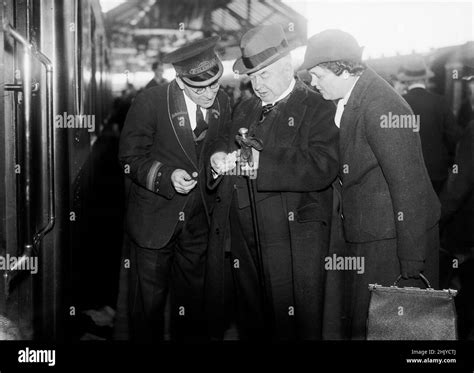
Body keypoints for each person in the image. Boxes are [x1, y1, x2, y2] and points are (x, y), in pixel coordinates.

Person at [300, 29, 440, 340]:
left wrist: (411, 269)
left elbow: (410, 187)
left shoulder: (381, 106)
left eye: (318, 74)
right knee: (369, 327)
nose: (313, 82)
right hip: (373, 236)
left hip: (391, 245)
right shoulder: (354, 97)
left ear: (343, 68)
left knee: (387, 329)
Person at [205, 24, 339, 340]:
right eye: (252, 77)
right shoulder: (247, 105)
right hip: (244, 234)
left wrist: (262, 164)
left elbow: (323, 165)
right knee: (252, 317)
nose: (257, 85)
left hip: (289, 237)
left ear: (285, 66)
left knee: (291, 321)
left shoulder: (318, 106)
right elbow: (223, 141)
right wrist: (217, 157)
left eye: (264, 75)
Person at [118, 36, 231, 341]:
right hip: (154, 221)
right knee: (148, 308)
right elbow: (129, 158)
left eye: (215, 84)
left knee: (192, 304)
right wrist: (167, 176)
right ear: (181, 81)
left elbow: (220, 140)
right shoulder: (150, 102)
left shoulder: (224, 101)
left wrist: (219, 154)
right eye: (200, 88)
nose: (210, 94)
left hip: (198, 222)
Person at [398, 56, 461, 195]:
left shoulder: (398, 103)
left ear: (406, 81)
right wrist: (450, 161)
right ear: (425, 79)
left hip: (407, 173)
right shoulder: (440, 102)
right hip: (437, 172)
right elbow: (453, 136)